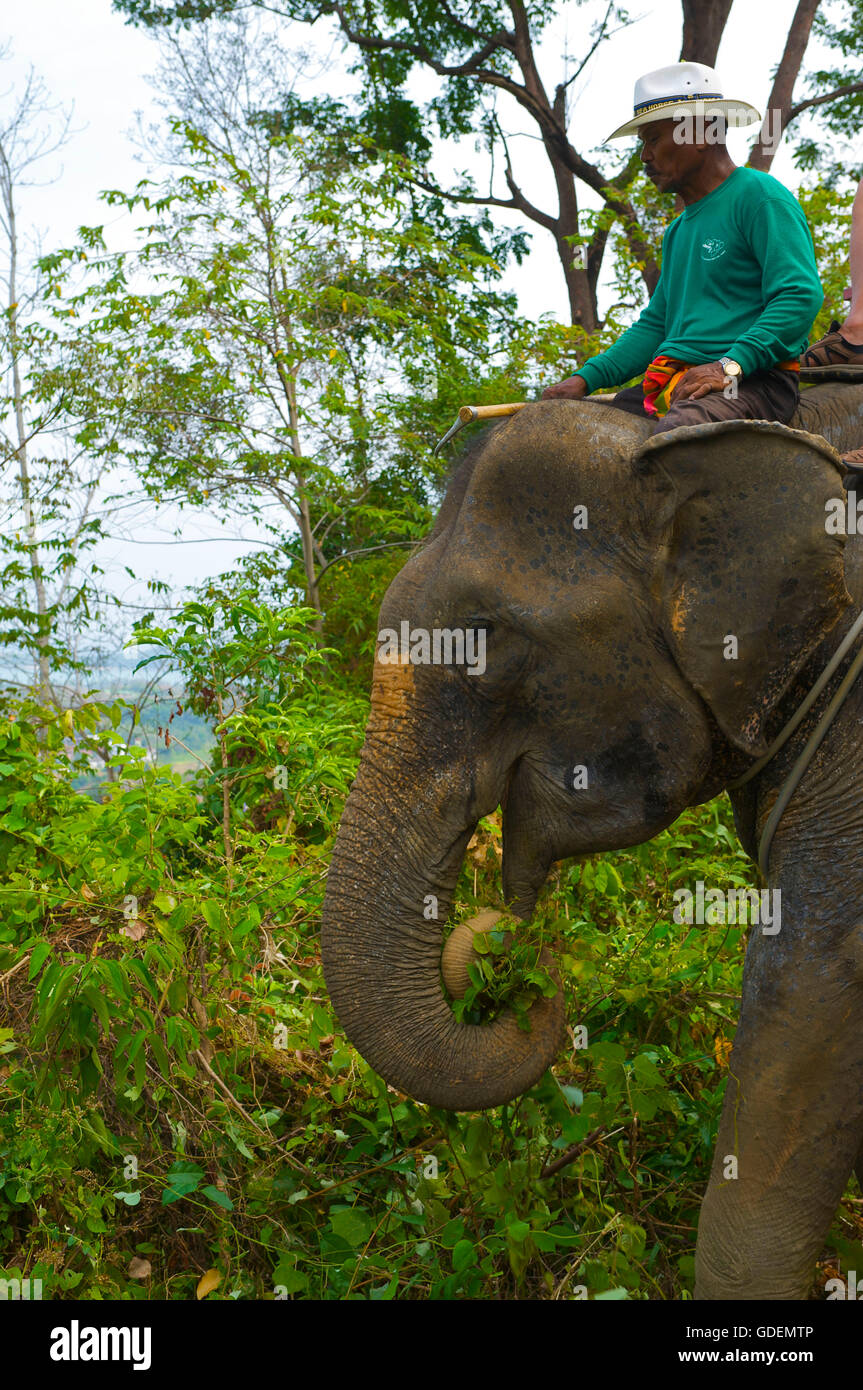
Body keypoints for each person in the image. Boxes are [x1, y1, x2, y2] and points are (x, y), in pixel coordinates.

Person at [542, 62, 824, 434]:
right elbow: (657, 325)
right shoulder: (677, 232)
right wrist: (584, 380)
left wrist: (730, 365)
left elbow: (799, 296)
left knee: (681, 434)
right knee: (577, 431)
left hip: (753, 380)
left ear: (703, 132)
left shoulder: (759, 197)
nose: (644, 156)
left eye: (654, 139)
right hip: (679, 382)